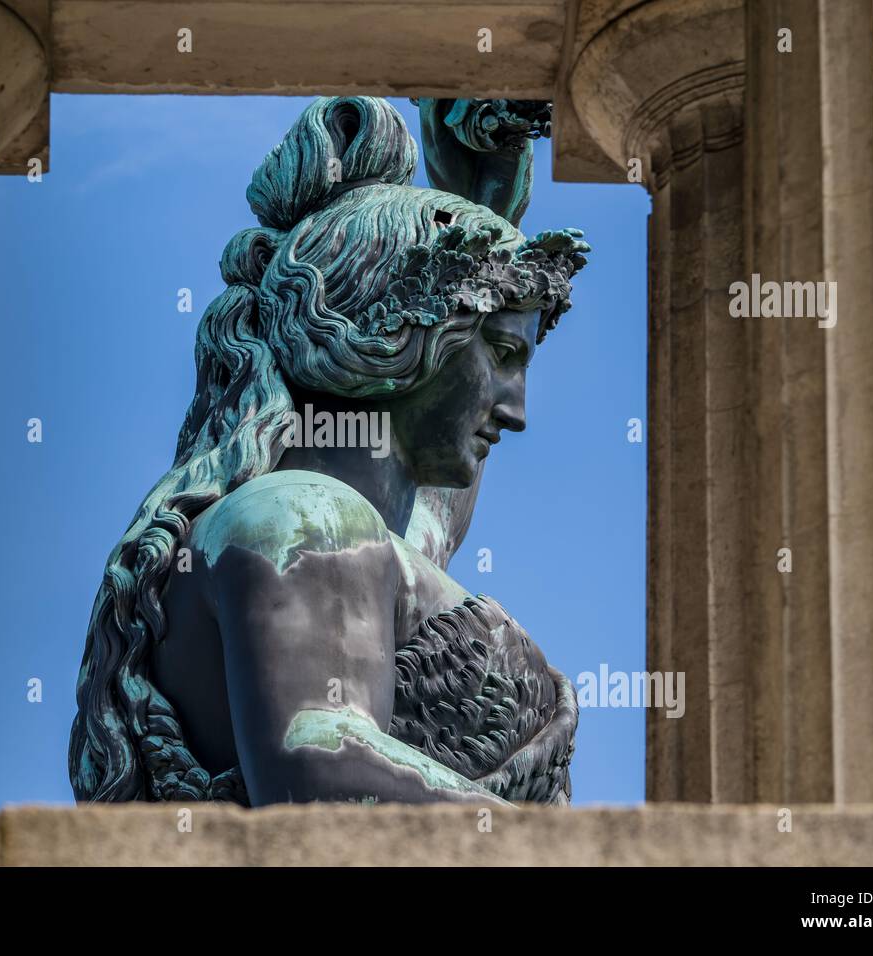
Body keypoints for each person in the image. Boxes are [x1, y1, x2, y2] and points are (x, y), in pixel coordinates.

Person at [69, 96, 589, 806]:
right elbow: (317, 763)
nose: (517, 411)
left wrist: (477, 189)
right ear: (405, 336)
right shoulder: (302, 518)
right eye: (500, 353)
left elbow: (429, 507)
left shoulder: (372, 538)